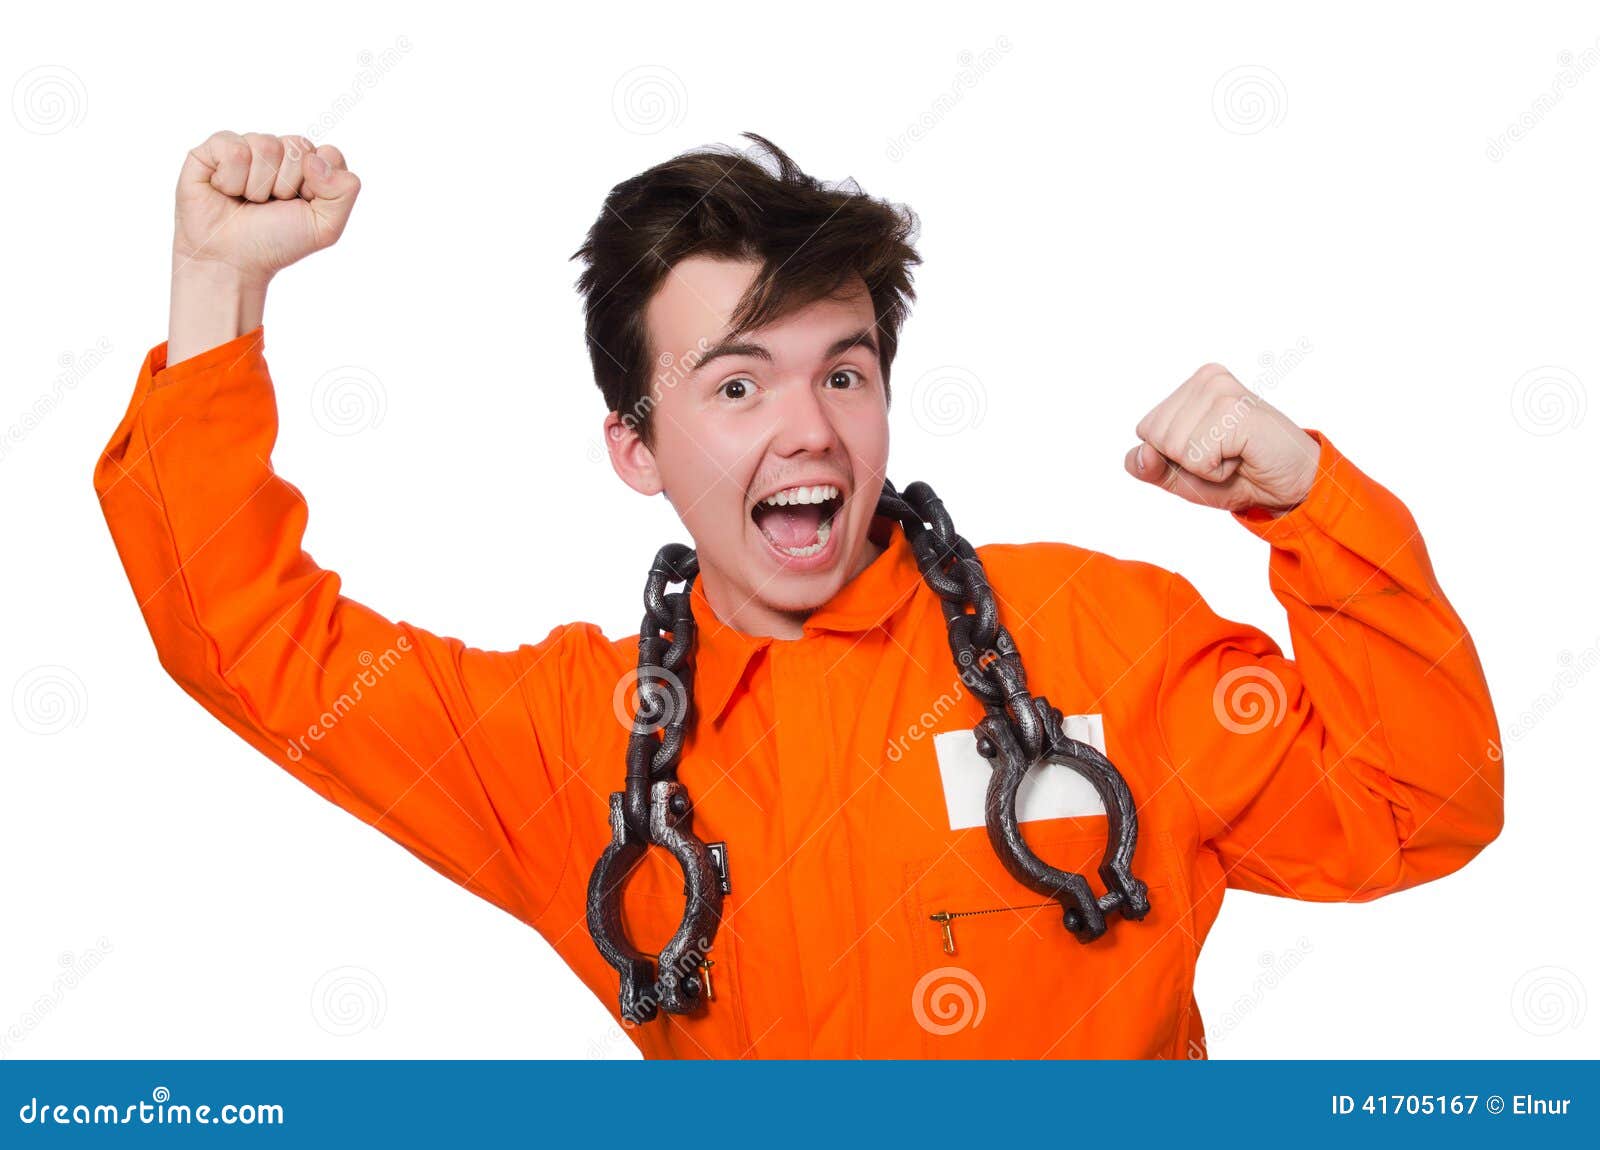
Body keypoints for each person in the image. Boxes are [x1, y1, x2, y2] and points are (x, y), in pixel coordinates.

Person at [94, 130, 1503, 1059]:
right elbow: (252, 640)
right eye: (735, 383)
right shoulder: (576, 740)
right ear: (635, 450)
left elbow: (1421, 806)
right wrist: (217, 290)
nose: (809, 430)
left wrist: (1309, 499)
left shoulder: (1101, 641)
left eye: (843, 370)